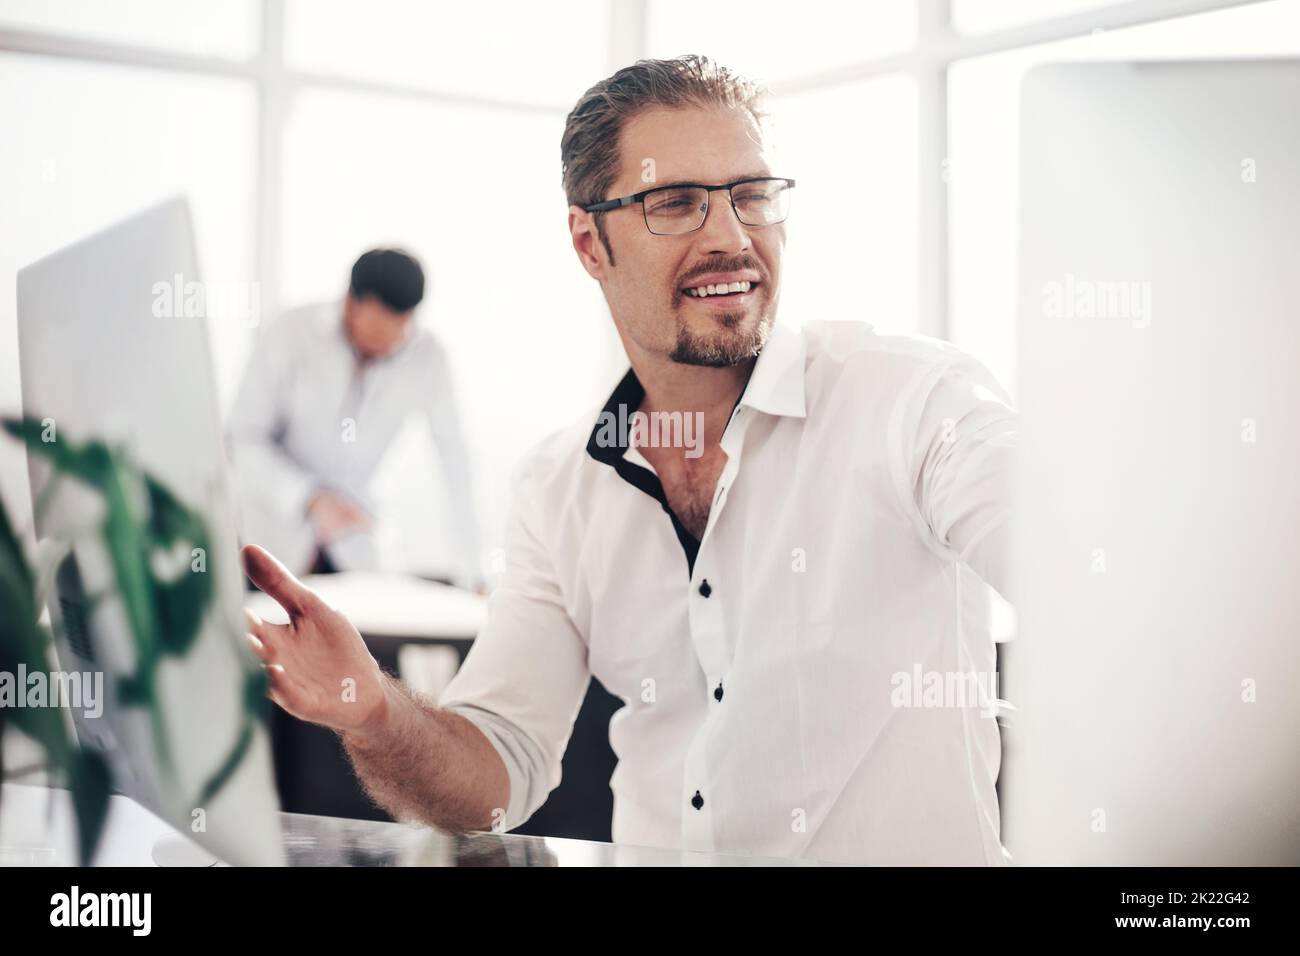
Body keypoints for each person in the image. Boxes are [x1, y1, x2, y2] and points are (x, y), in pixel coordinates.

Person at [241, 56, 1016, 865]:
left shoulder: (916, 403)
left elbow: (1072, 559)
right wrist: (370, 711)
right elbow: (495, 772)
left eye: (750, 195)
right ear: (590, 241)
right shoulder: (560, 488)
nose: (731, 237)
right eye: (675, 203)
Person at [227, 249, 481, 587]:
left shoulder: (428, 358)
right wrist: (309, 497)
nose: (386, 347)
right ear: (350, 302)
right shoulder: (289, 334)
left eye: (397, 334)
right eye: (376, 332)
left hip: (359, 550)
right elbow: (241, 439)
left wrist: (473, 573)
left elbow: (455, 461)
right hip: (269, 543)